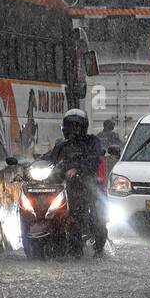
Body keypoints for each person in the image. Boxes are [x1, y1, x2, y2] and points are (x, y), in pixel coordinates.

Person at [48, 108, 108, 256]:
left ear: (83, 127)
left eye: (76, 126)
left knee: (96, 214)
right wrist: (29, 168)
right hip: (67, 186)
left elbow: (94, 159)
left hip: (88, 184)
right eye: (69, 126)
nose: (73, 129)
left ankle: (98, 248)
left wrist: (78, 169)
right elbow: (49, 158)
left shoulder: (92, 141)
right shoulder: (62, 145)